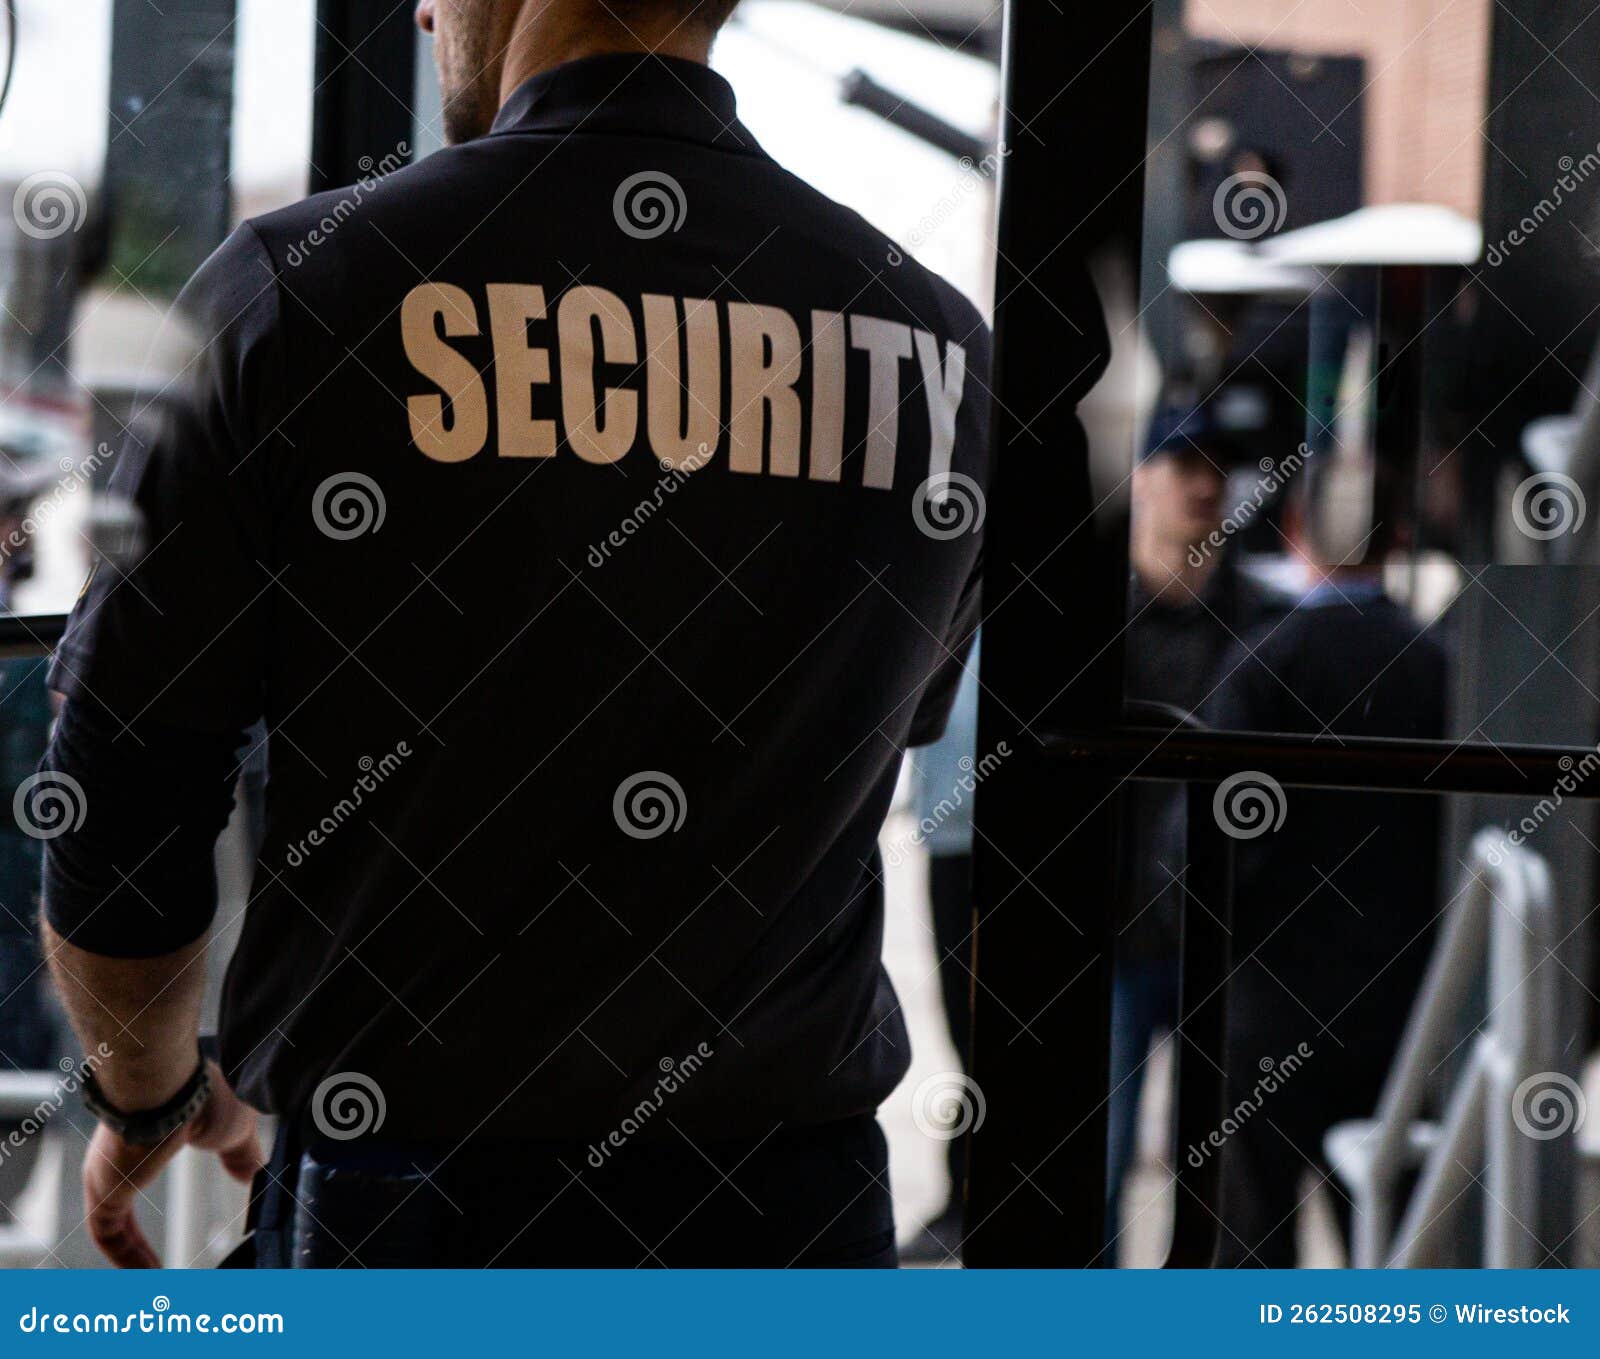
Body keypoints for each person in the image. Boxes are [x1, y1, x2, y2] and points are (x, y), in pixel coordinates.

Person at [30, 0, 1047, 1269]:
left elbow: (121, 792)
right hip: (798, 1212)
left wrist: (151, 1090)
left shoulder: (307, 284)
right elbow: (877, 744)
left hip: (419, 1210)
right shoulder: (940, 351)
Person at [1204, 465, 1446, 1267]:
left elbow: (1211, 855)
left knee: (1253, 1244)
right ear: (1400, 537)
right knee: (1392, 1243)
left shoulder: (1262, 665)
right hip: (1402, 1007)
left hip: (1270, 1002)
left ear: (1294, 530)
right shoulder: (1440, 666)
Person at [1106, 405, 1285, 1254]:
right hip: (1114, 934)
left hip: (1227, 939)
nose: (1205, 485)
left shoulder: (1261, 623)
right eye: (1184, 465)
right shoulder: (1092, 625)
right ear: (1141, 478)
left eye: (1217, 468)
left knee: (1223, 1173)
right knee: (1093, 1159)